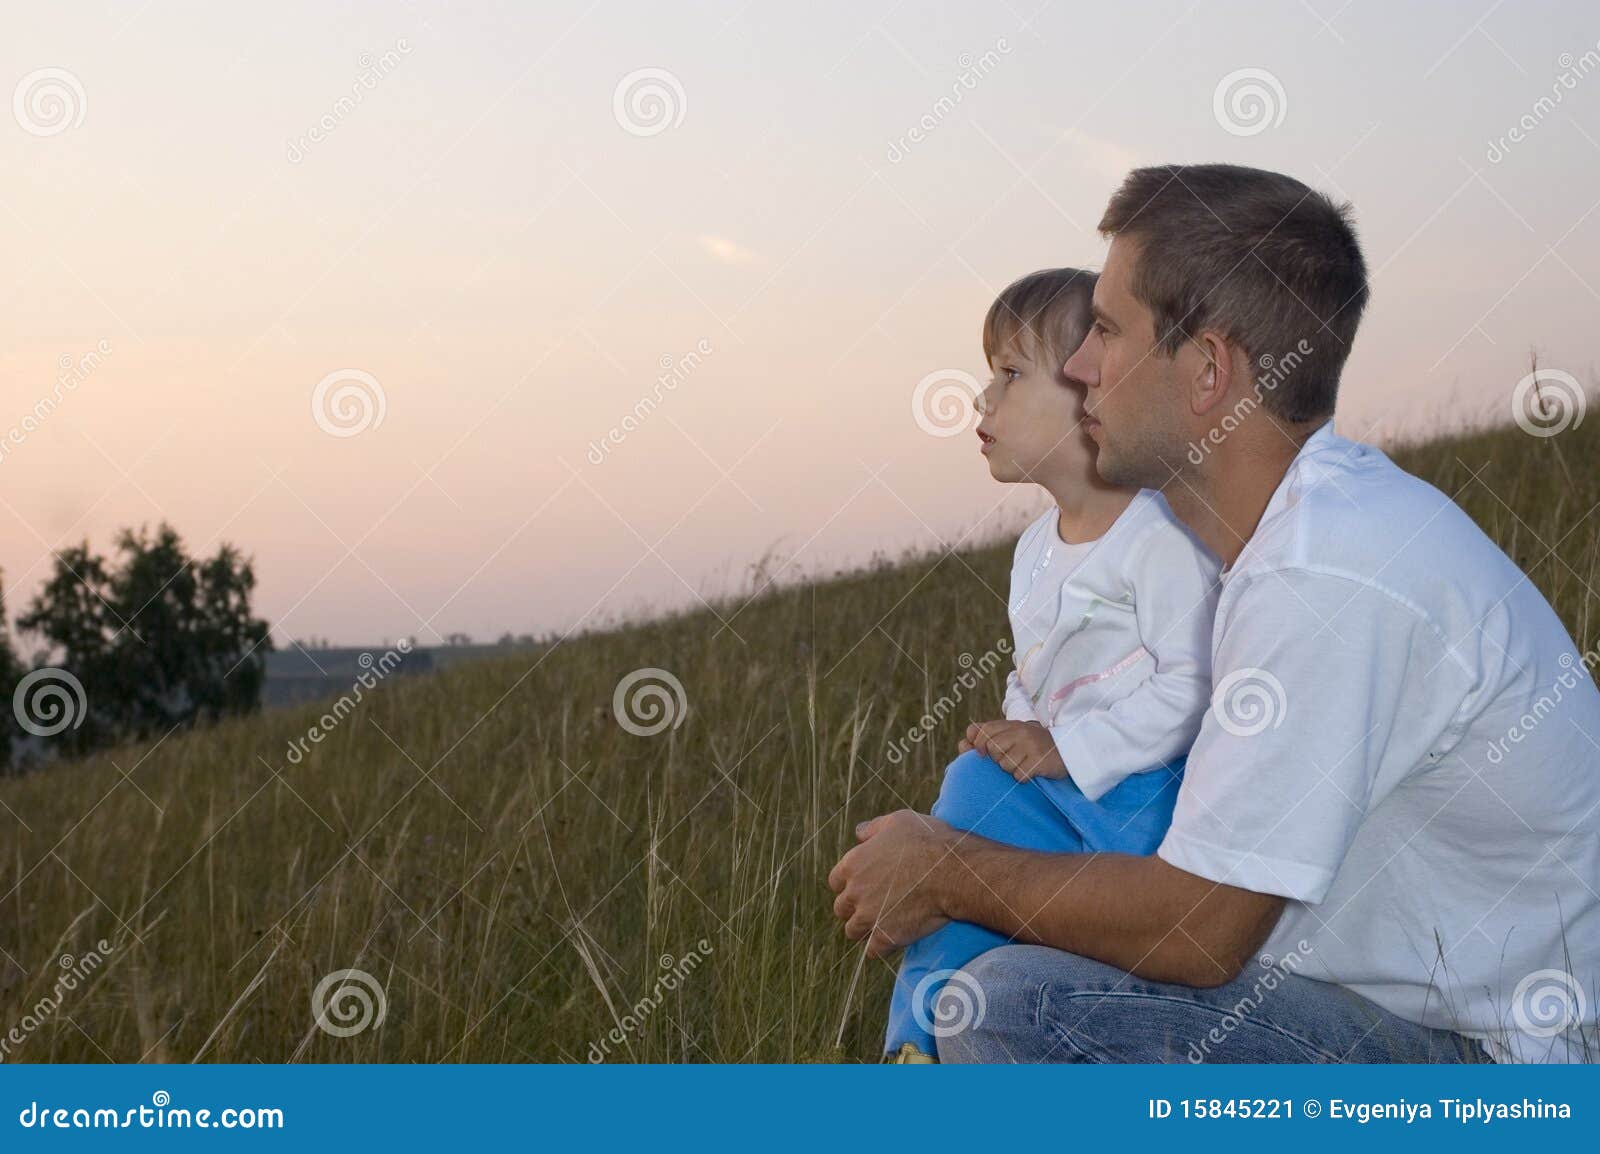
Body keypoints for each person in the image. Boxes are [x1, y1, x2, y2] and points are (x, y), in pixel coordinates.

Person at [831, 163, 1600, 1063]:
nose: (1079, 367)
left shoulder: (1324, 574)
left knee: (1009, 1007)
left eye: (1107, 331)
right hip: (1384, 1003)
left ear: (1206, 372)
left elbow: (1201, 932)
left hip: (1503, 1061)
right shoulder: (1291, 539)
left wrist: (946, 873)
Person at [883, 269, 1219, 1061]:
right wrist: (1017, 733)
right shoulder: (1035, 550)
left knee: (967, 818)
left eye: (1010, 373)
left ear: (1094, 389)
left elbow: (1196, 687)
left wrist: (1069, 748)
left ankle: (942, 1028)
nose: (982, 398)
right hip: (1074, 800)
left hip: (1150, 805)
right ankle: (915, 1044)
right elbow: (1034, 673)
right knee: (971, 794)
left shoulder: (1159, 533)